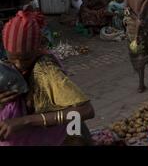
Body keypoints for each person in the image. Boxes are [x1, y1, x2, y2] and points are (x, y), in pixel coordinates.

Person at [0, 11, 95, 145]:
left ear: (38, 48)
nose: (19, 64)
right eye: (12, 58)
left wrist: (26, 121)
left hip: (59, 138)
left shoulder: (46, 71)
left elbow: (86, 110)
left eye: (26, 58)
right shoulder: (7, 68)